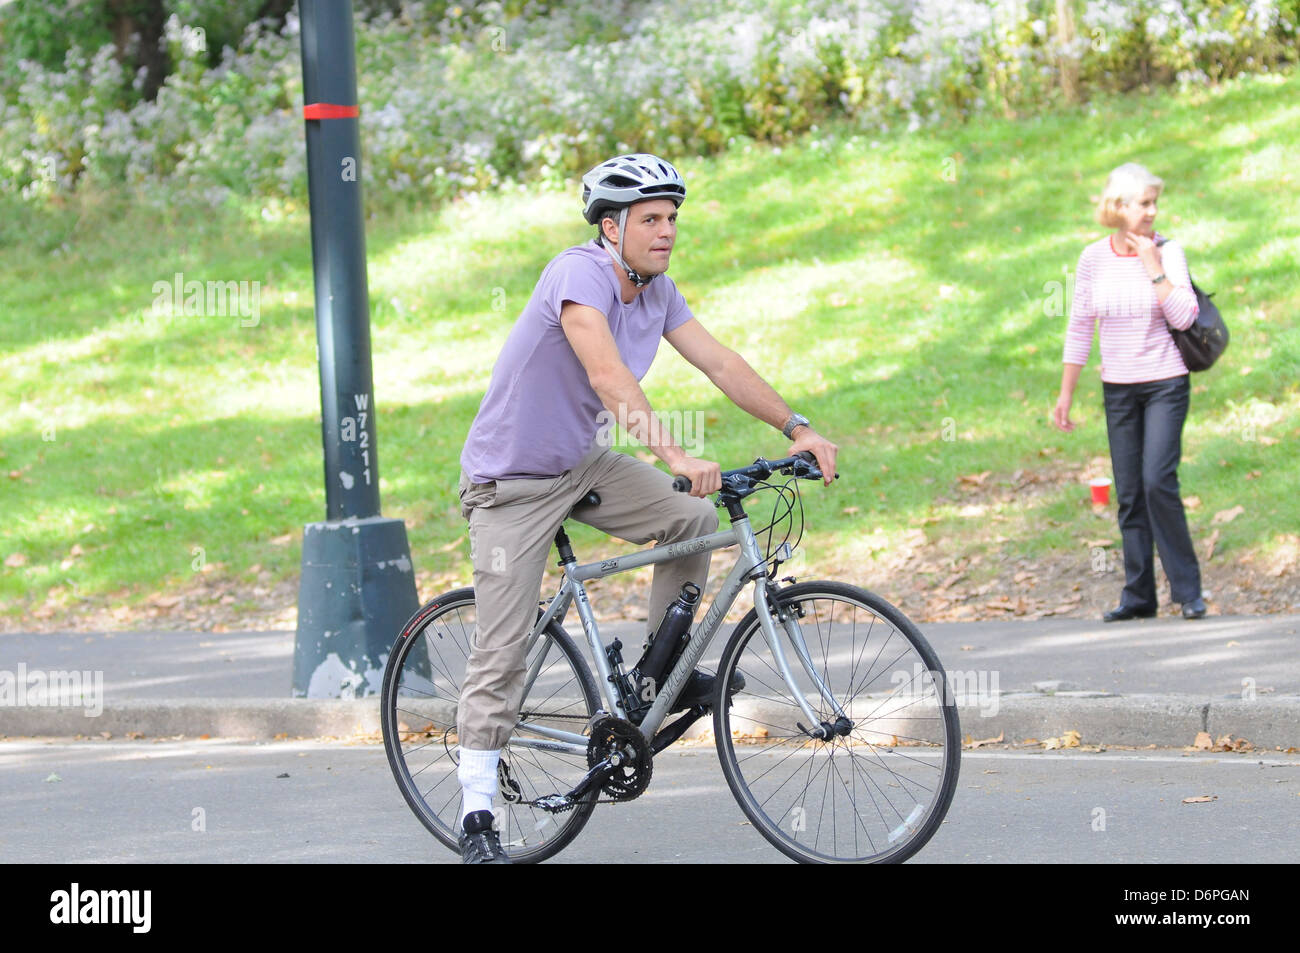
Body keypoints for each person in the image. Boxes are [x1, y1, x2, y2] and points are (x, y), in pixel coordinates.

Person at [453, 153, 839, 862]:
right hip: (509, 481)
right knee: (503, 645)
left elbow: (718, 361)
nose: (666, 232)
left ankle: (656, 673)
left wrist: (797, 427)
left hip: (580, 464)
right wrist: (676, 456)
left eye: (672, 219)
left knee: (691, 517)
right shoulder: (579, 275)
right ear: (611, 226)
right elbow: (607, 376)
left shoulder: (657, 291)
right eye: (651, 220)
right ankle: (476, 804)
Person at [1053, 162, 1207, 624]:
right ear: (1118, 207)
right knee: (1129, 493)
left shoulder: (1168, 251)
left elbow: (1184, 317)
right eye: (1144, 203)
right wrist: (1065, 394)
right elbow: (1080, 326)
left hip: (1165, 383)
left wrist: (1154, 267)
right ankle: (1139, 596)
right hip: (1118, 389)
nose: (1153, 211)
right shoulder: (1093, 258)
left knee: (1159, 481)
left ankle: (1189, 592)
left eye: (1155, 202)